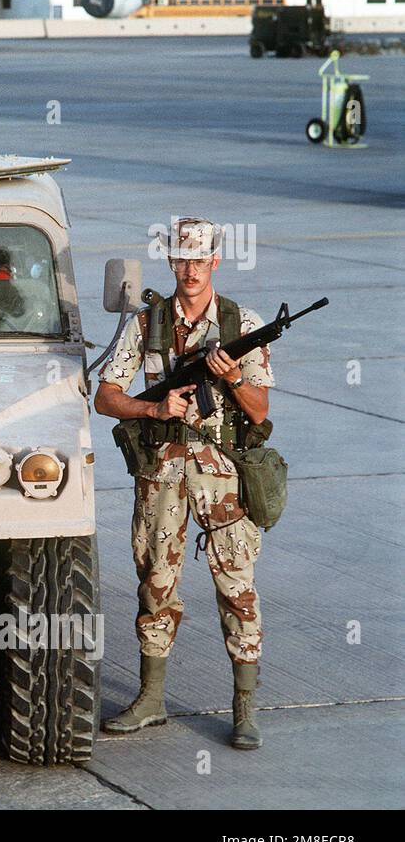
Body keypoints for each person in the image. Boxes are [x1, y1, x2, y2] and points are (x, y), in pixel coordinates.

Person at [94, 217, 274, 750]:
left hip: (221, 475)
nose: (190, 270)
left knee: (237, 587)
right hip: (162, 474)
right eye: (181, 259)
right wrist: (154, 406)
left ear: (216, 261)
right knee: (155, 582)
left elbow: (261, 411)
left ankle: (245, 707)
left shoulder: (242, 323)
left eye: (200, 260)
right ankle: (151, 699)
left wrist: (233, 378)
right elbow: (106, 396)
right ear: (169, 262)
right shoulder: (146, 322)